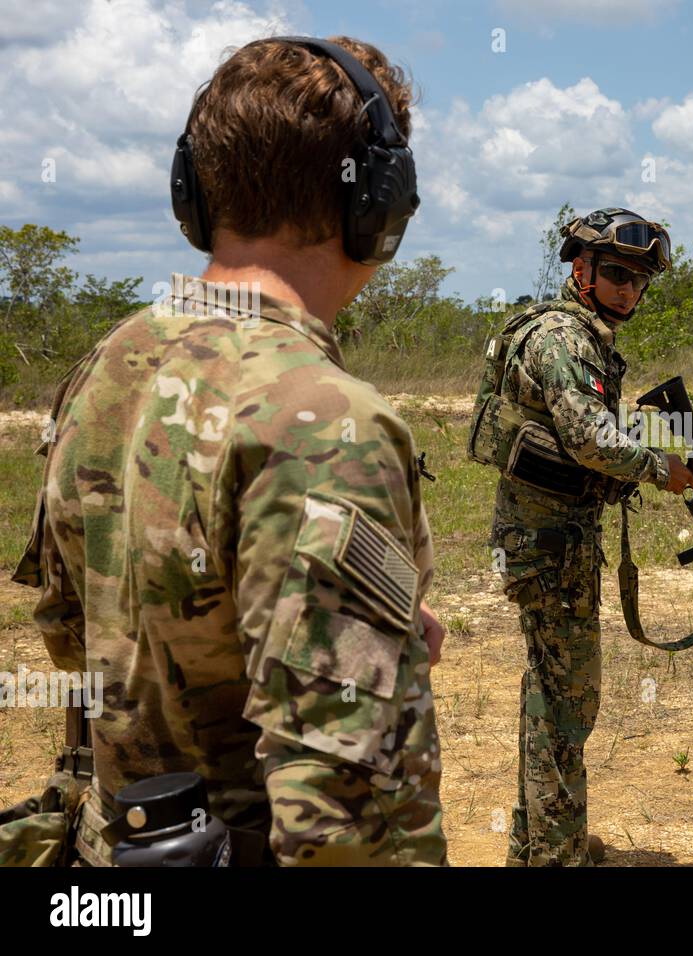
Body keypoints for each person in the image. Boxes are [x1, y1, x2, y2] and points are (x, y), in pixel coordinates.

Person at [13, 36, 448, 866]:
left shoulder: (108, 365)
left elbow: (72, 629)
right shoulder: (327, 420)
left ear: (194, 193)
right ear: (381, 203)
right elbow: (343, 813)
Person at [468, 208, 693, 866]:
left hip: (552, 538)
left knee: (551, 692)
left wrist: (664, 442)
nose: (630, 290)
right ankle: (556, 855)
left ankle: (537, 845)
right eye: (619, 275)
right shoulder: (564, 338)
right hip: (549, 544)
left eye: (640, 281)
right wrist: (664, 470)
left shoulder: (572, 334)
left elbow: (592, 423)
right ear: (582, 269)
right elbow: (589, 438)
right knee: (568, 703)